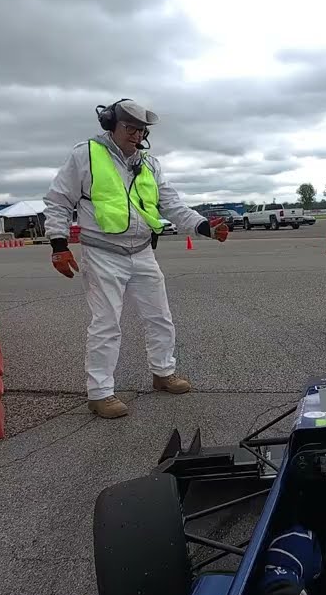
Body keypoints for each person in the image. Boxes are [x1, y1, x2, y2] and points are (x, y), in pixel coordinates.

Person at [42, 98, 230, 419]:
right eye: (130, 127)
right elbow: (58, 201)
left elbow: (170, 204)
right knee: (106, 323)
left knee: (160, 317)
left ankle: (163, 373)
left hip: (142, 252)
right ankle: (100, 393)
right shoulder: (85, 155)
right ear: (110, 124)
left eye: (141, 130)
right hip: (102, 253)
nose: (137, 135)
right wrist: (58, 244)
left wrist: (203, 226)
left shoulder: (149, 163)